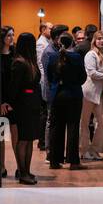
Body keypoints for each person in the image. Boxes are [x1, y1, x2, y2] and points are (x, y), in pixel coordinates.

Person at [6, 32, 42, 184]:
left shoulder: (26, 61)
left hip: (30, 104)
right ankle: (23, 173)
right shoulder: (20, 63)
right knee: (23, 140)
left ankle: (26, 171)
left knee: (28, 140)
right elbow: (14, 88)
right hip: (23, 106)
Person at [47, 33, 87, 170]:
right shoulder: (76, 57)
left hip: (57, 94)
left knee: (56, 127)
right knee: (73, 127)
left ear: (59, 43)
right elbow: (83, 77)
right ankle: (73, 161)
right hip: (73, 95)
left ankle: (54, 161)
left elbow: (49, 76)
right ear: (72, 43)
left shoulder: (52, 57)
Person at [81, 29, 103, 161]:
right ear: (94, 41)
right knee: (84, 123)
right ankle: (84, 151)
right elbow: (92, 73)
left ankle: (94, 149)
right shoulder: (91, 54)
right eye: (99, 38)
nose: (101, 41)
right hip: (88, 92)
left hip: (98, 94)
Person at [39, 24, 68, 155]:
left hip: (58, 91)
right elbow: (48, 76)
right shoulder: (49, 52)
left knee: (56, 121)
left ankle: (56, 152)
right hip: (52, 91)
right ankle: (49, 152)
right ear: (57, 37)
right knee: (50, 121)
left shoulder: (59, 49)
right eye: (64, 35)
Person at [0, 25, 15, 179]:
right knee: (0, 136)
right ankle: (1, 167)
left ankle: (20, 166)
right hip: (0, 103)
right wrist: (2, 101)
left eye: (12, 35)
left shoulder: (15, 55)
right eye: (9, 35)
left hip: (14, 103)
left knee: (17, 136)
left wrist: (10, 101)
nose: (11, 38)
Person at [34, 23, 51, 150]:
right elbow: (41, 64)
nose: (52, 29)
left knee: (45, 112)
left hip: (45, 81)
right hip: (43, 81)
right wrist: (45, 81)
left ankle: (43, 140)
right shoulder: (41, 43)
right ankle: (42, 141)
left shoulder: (47, 41)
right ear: (43, 29)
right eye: (50, 28)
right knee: (44, 112)